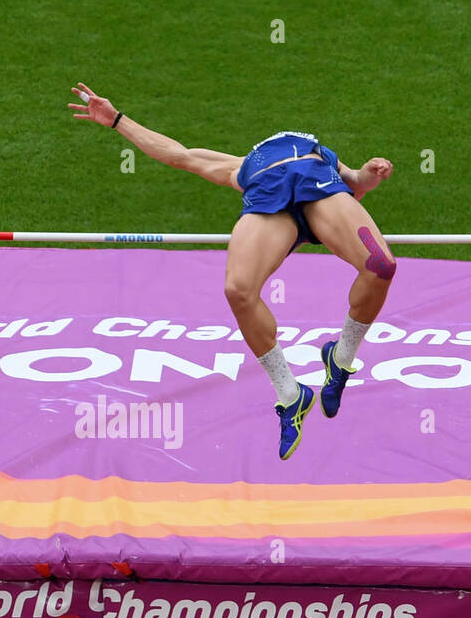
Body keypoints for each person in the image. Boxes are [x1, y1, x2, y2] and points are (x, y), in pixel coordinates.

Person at [69, 82, 395, 460]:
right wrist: (117, 120)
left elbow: (355, 184)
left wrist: (370, 173)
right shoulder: (241, 166)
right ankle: (290, 395)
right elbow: (180, 155)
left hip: (320, 190)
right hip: (268, 204)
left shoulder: (322, 155)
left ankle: (339, 357)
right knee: (238, 290)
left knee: (380, 265)